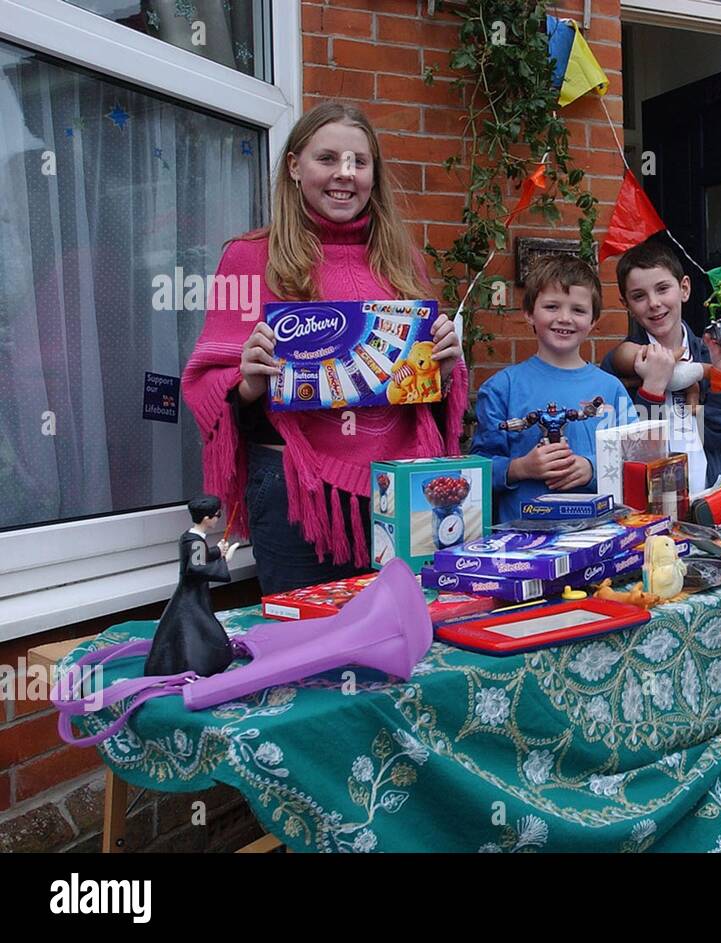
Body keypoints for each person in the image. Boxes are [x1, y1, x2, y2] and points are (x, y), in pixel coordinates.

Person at [182, 103, 466, 595]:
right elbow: (208, 381)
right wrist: (247, 380)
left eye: (360, 161)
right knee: (308, 654)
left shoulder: (404, 260)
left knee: (406, 645)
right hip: (298, 495)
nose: (345, 174)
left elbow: (425, 385)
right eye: (328, 158)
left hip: (402, 491)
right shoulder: (248, 256)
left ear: (374, 176)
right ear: (294, 166)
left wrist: (445, 361)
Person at [471, 255, 635, 523]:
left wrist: (592, 468)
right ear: (529, 314)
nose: (564, 318)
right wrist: (521, 467)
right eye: (551, 306)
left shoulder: (610, 388)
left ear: (594, 321)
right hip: (524, 540)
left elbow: (636, 457)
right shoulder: (502, 388)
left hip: (599, 537)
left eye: (578, 310)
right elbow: (477, 470)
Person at [599, 241, 721, 495]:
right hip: (648, 504)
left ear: (684, 288)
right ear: (627, 305)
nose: (654, 303)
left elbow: (719, 433)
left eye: (662, 288)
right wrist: (652, 388)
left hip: (707, 498)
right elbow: (632, 450)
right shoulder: (620, 364)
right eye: (639, 296)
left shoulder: (706, 352)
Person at [144, 495, 240, 677]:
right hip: (191, 596)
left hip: (192, 594)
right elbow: (196, 568)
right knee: (200, 628)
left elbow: (197, 557)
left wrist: (216, 551)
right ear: (206, 518)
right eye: (217, 514)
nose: (218, 518)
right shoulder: (195, 541)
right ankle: (198, 665)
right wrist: (224, 561)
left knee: (191, 628)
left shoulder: (190, 537)